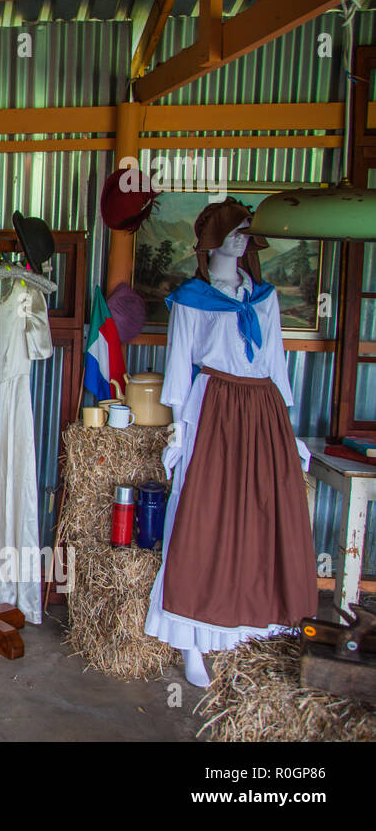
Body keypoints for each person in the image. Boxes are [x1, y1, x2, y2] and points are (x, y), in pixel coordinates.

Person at [144, 199, 315, 687]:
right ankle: (191, 640)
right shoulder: (192, 299)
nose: (243, 239)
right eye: (234, 231)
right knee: (204, 521)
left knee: (261, 519)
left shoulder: (264, 297)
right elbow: (180, 369)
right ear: (213, 241)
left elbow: (277, 363)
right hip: (215, 407)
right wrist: (180, 430)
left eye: (247, 232)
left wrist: (286, 424)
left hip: (261, 411)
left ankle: (242, 630)